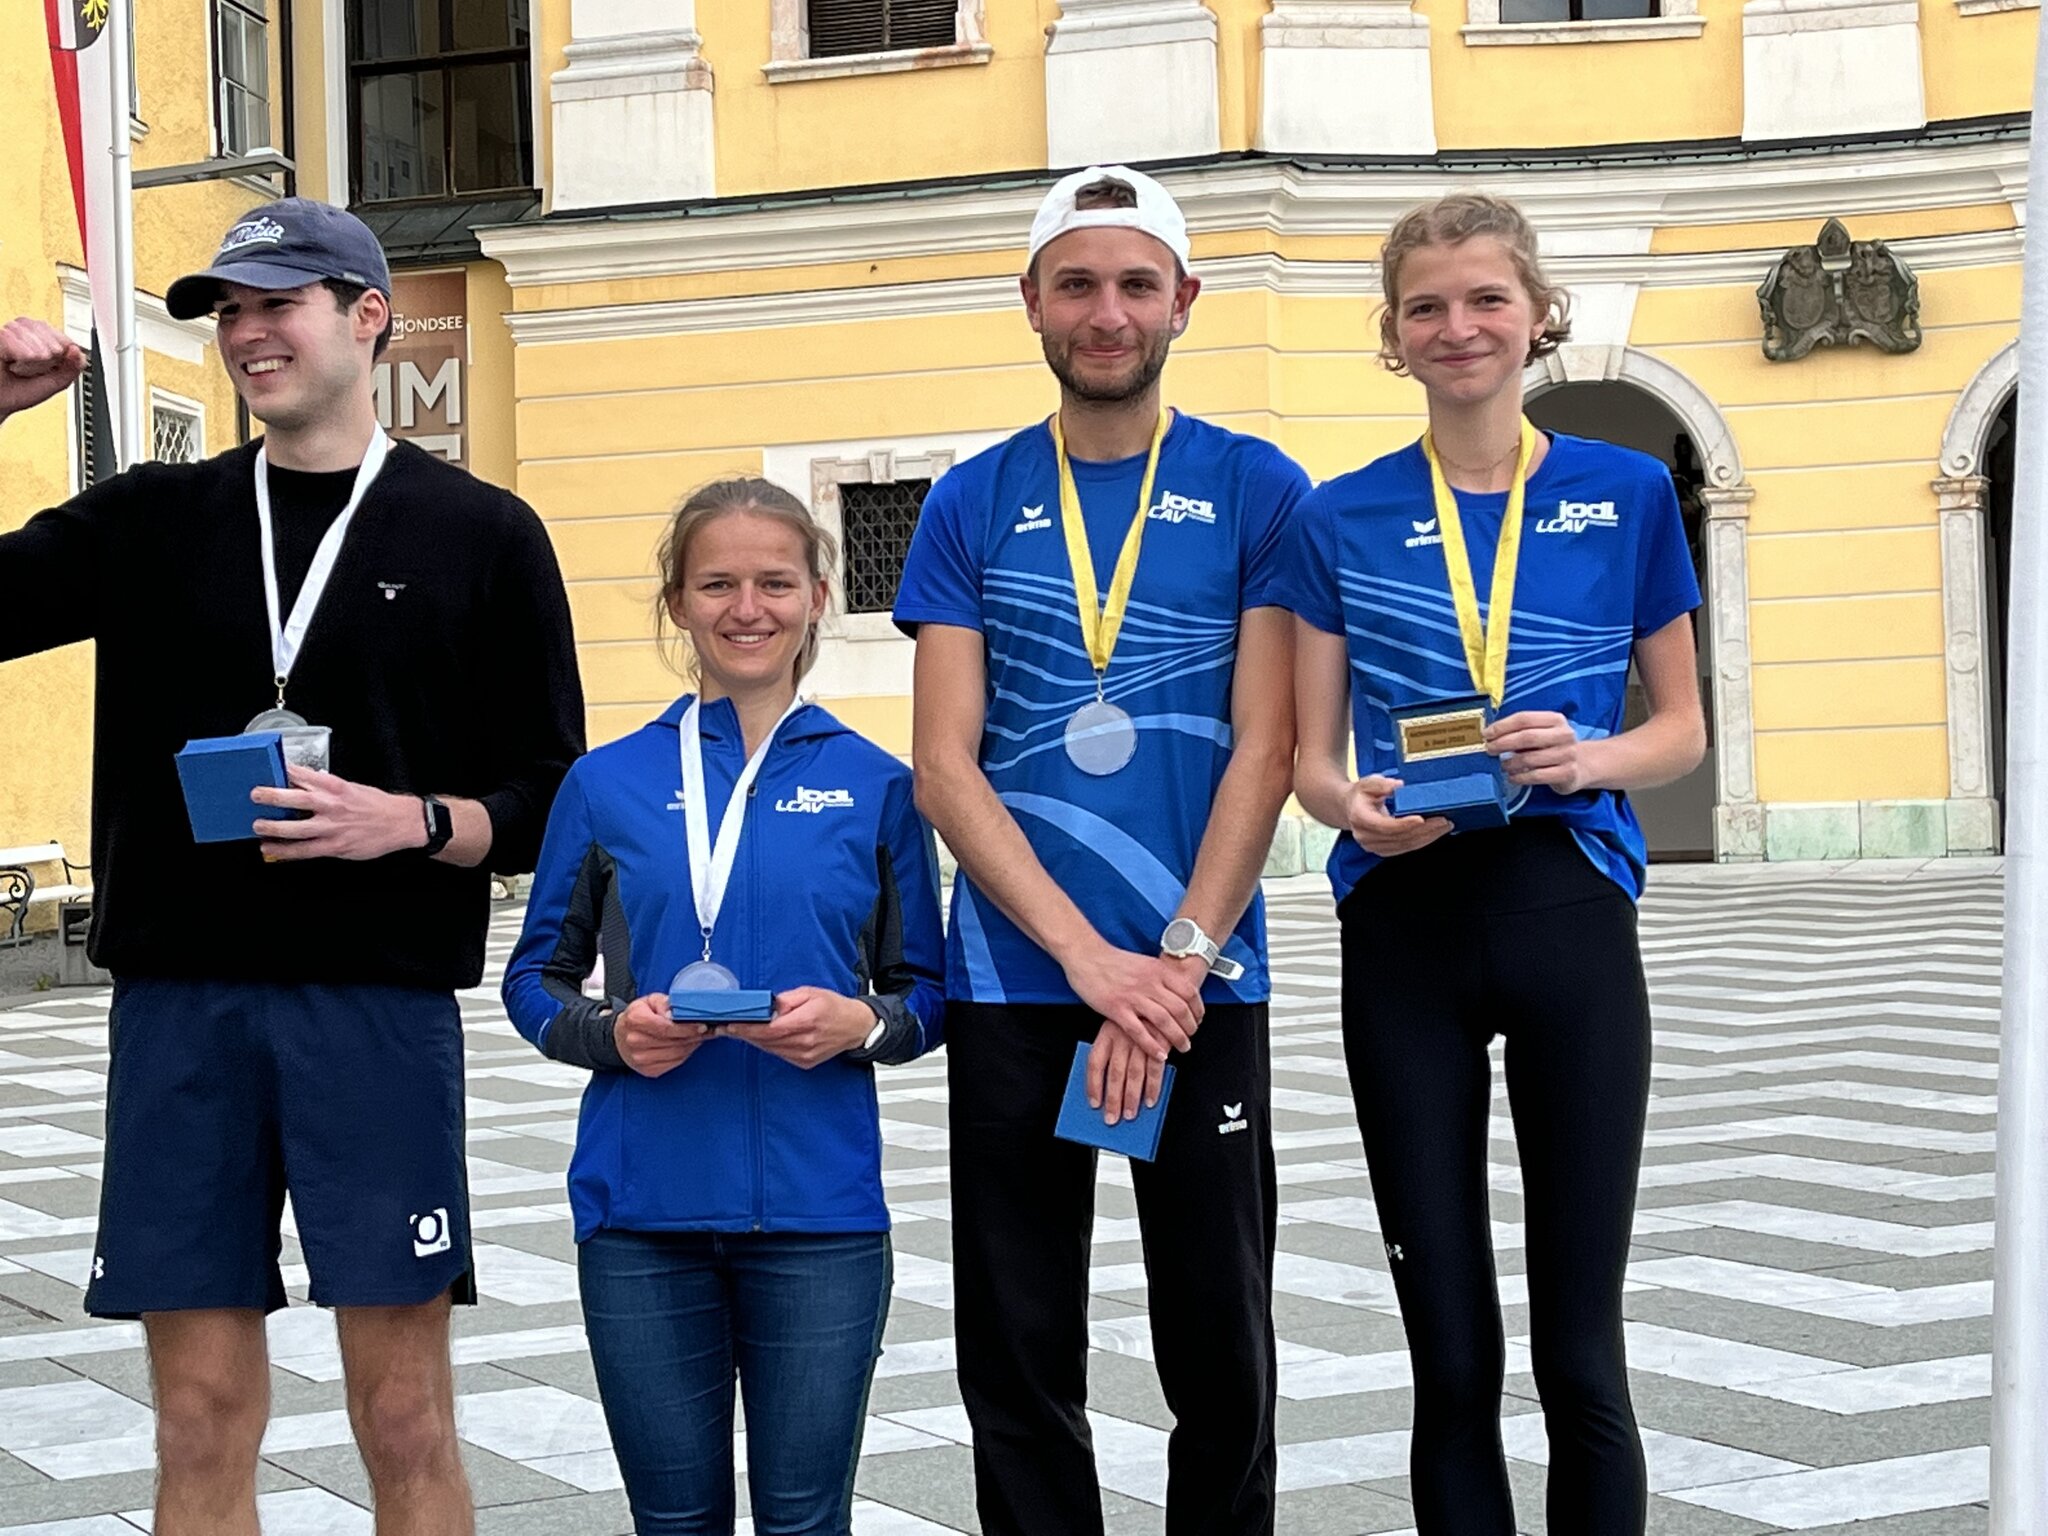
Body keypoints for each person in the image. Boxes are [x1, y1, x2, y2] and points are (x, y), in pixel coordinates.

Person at [0, 199, 584, 1536]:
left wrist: (414, 823)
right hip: (181, 1011)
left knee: (403, 1418)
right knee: (198, 1417)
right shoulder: (150, 521)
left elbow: (554, 794)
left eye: (279, 304)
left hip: (372, 1010)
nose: (248, 335)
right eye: (229, 312)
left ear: (368, 316)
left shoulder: (484, 534)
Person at [1280, 191, 1706, 1536]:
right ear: (1394, 338)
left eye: (1485, 301)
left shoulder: (1627, 492)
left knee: (1581, 1355)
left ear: (1537, 317)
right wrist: (1358, 807)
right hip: (1402, 922)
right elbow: (1306, 759)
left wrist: (1586, 758)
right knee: (1451, 1362)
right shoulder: (1336, 516)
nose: (1457, 328)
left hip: (1569, 908)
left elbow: (1683, 732)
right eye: (1426, 307)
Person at [894, 165, 1307, 1536]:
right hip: (1021, 983)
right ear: (1030, 303)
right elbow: (944, 762)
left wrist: (1172, 963)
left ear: (1184, 299)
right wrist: (1091, 964)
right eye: (1077, 282)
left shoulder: (1257, 487)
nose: (1108, 310)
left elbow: (1266, 746)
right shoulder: (969, 499)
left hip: (1203, 985)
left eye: (1137, 282)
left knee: (1222, 1351)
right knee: (1015, 1353)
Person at [502, 477, 945, 1536]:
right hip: (639, 1217)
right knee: (673, 1521)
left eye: (773, 583)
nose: (746, 608)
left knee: (804, 1520)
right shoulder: (604, 784)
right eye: (717, 584)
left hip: (819, 1221)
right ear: (676, 603)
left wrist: (860, 1026)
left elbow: (926, 995)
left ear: (818, 598)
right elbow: (533, 983)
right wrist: (610, 1036)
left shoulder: (878, 785)